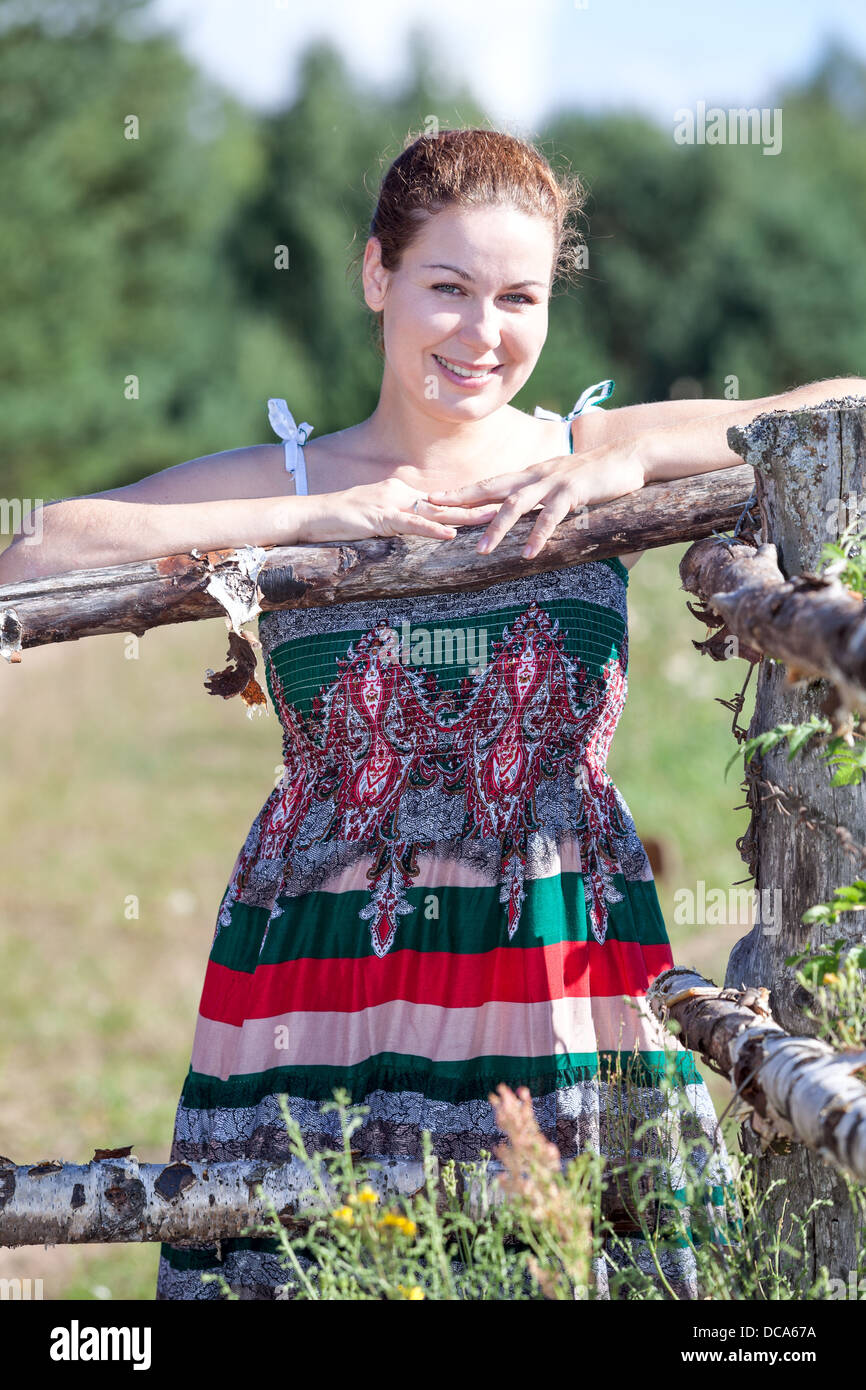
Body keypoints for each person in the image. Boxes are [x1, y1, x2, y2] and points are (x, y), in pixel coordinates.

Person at [3, 126, 862, 1300]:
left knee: (577, 1264)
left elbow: (846, 400)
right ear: (375, 276)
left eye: (516, 296)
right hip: (324, 967)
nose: (481, 331)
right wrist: (300, 524)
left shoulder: (582, 448)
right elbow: (35, 547)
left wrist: (626, 465)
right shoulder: (294, 481)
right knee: (322, 1257)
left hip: (557, 940)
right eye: (445, 287)